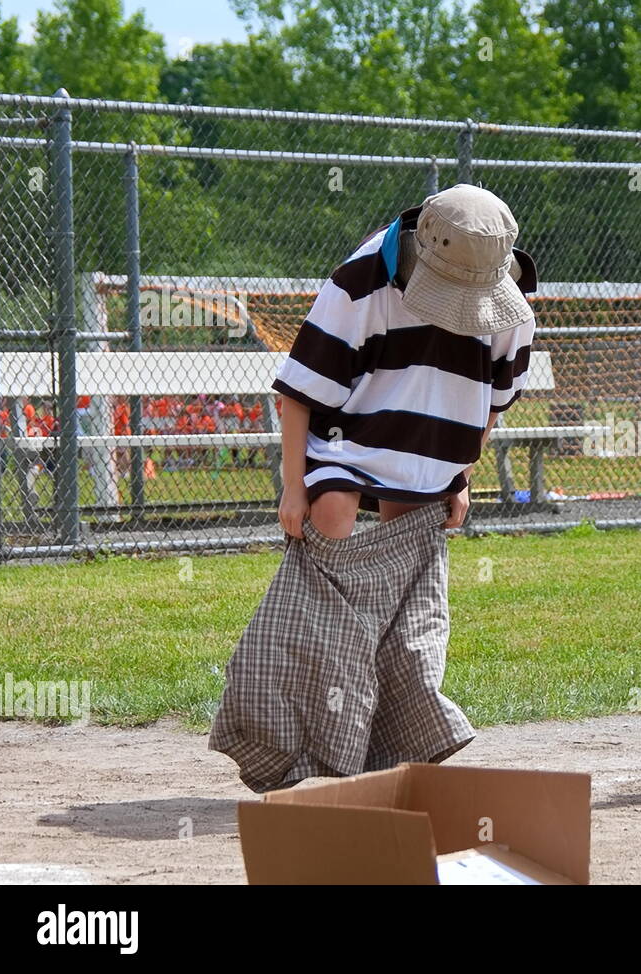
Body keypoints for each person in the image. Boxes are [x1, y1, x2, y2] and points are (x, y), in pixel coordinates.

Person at [209, 183, 538, 793]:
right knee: (331, 513)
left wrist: (460, 476)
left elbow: (493, 404)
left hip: (426, 455)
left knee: (407, 614)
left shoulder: (510, 309)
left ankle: (393, 739)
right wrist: (291, 487)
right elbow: (299, 391)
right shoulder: (360, 281)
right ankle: (289, 710)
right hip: (345, 435)